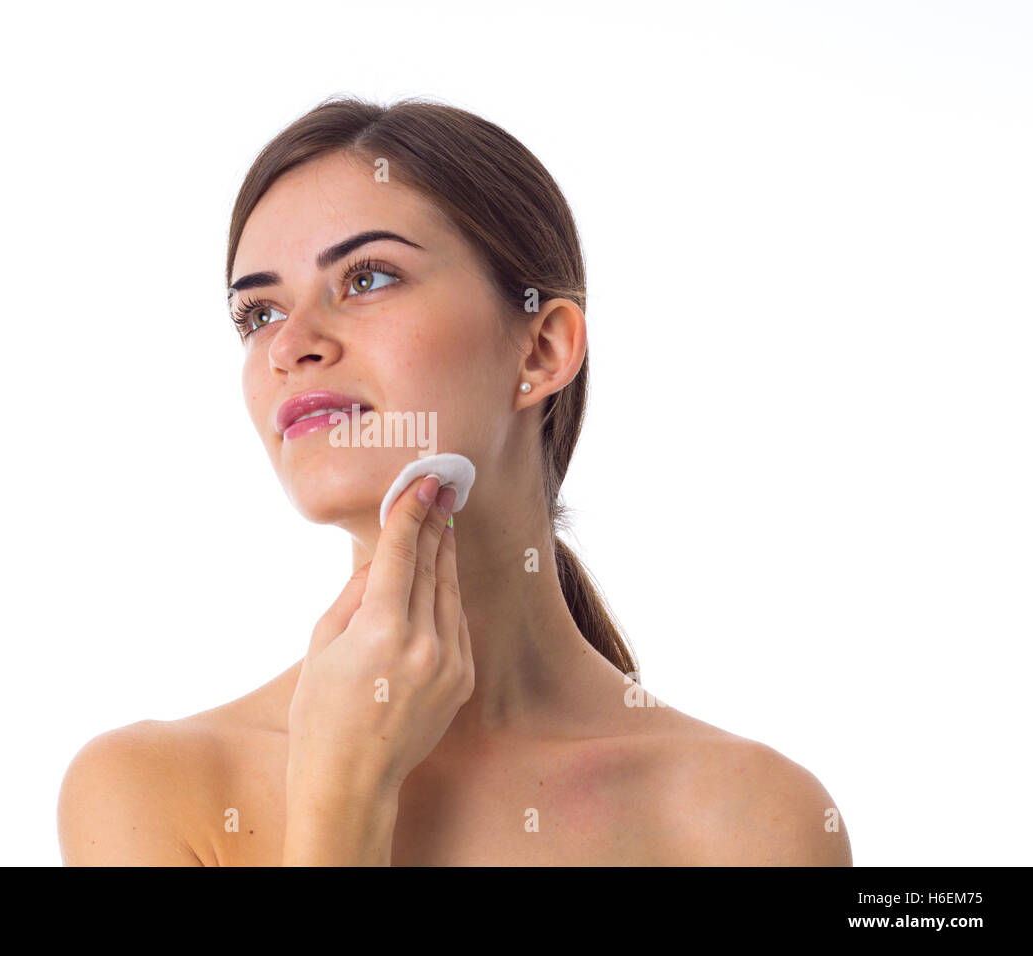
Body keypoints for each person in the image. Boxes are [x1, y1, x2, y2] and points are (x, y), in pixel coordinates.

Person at [57, 95, 853, 866]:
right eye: (258, 313)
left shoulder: (752, 821)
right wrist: (343, 799)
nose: (288, 345)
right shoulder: (150, 790)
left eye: (367, 278)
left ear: (542, 349)